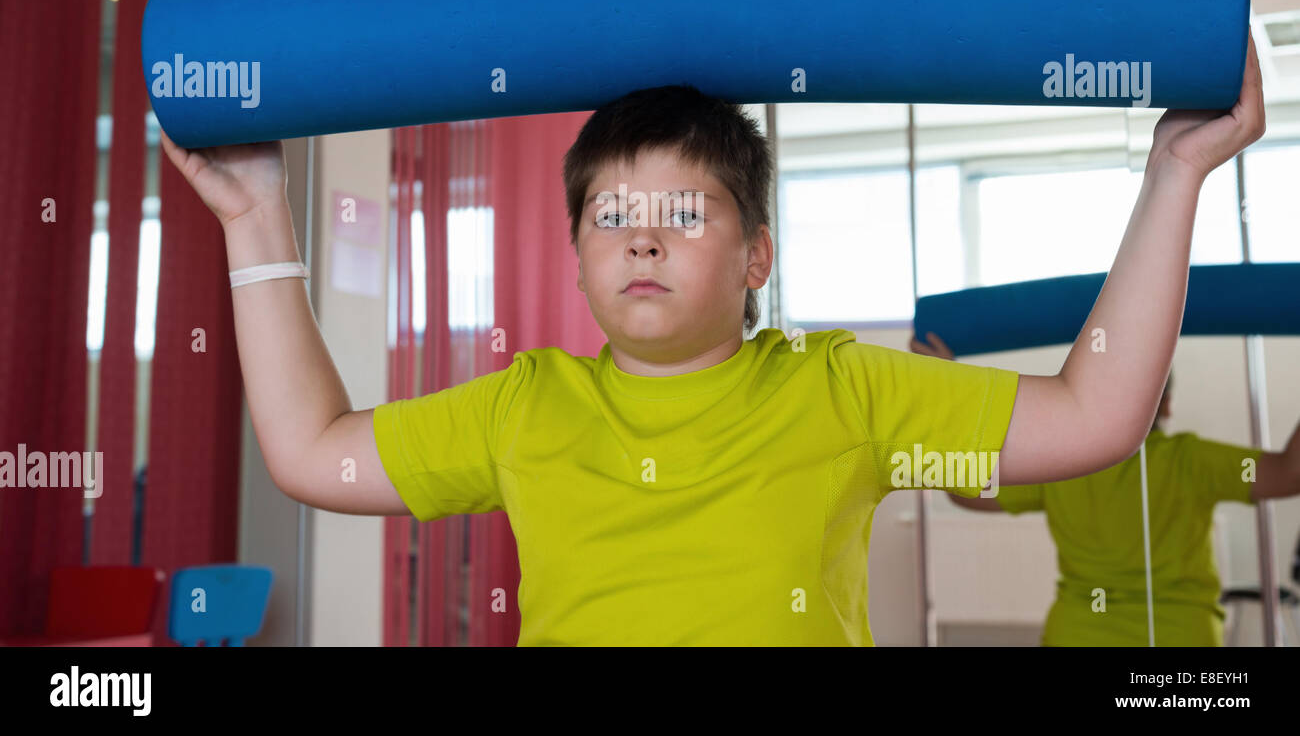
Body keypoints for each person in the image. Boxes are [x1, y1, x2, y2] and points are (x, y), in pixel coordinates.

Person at [160, 36, 1267, 645]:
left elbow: (1097, 414)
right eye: (612, 219)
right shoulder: (523, 405)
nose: (643, 240)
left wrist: (1174, 173)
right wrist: (255, 221)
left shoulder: (840, 392)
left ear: (755, 259)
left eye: (684, 215)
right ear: (578, 253)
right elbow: (310, 451)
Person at [914, 330, 1300, 645]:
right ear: (1164, 406)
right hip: (1179, 638)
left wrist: (950, 389)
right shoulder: (1192, 462)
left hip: (1081, 633)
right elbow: (1287, 474)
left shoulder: (1060, 462)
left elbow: (966, 489)